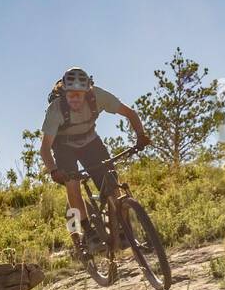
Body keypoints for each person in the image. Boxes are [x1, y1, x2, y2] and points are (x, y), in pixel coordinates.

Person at [39, 67, 149, 252]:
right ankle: (88, 232)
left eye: (79, 95)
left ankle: (124, 232)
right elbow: (44, 148)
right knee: (72, 184)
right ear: (64, 92)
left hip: (90, 142)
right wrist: (54, 170)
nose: (75, 99)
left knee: (113, 185)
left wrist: (140, 135)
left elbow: (130, 113)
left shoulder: (97, 96)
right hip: (64, 146)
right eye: (70, 94)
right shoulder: (56, 109)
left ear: (87, 92)